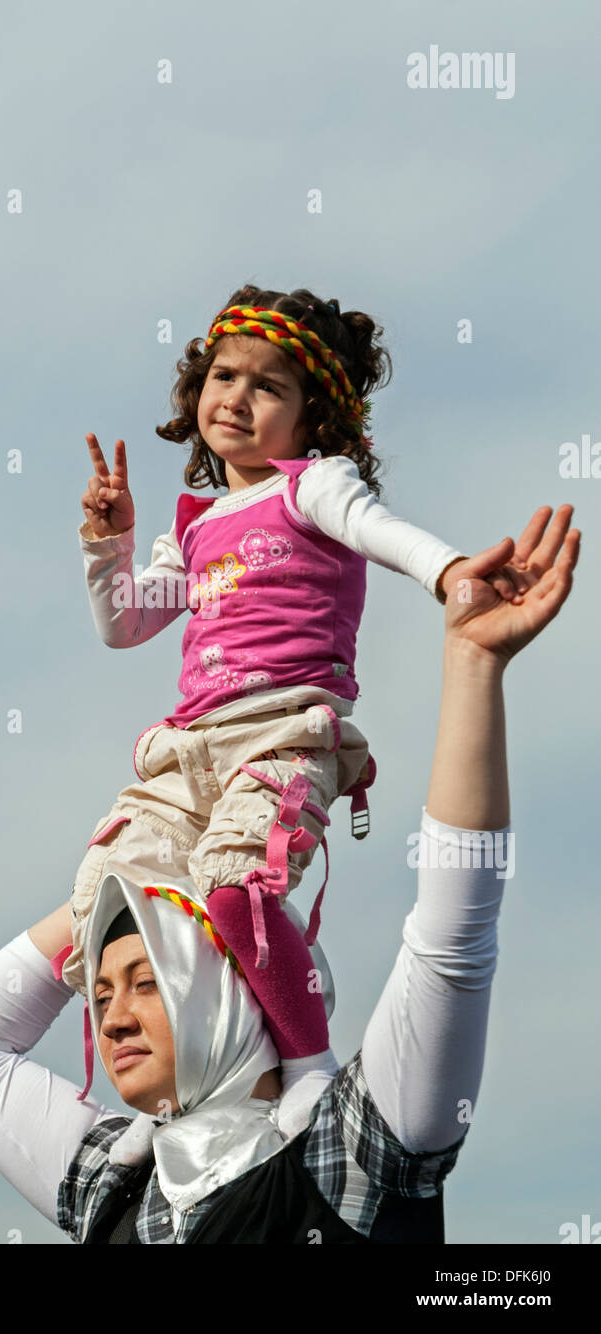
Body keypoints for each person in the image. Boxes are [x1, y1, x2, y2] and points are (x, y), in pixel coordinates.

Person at [0, 503, 579, 1243]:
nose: (111, 1016)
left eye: (148, 982)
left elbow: (452, 938)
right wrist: (142, 868)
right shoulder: (117, 1184)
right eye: (101, 992)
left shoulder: (343, 1154)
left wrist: (472, 667)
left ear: (239, 991)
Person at [62, 284, 528, 1134]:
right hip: (190, 750)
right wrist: (110, 543)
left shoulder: (312, 487)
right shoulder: (196, 525)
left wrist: (452, 573)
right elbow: (125, 624)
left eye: (268, 386)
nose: (236, 398)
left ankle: (308, 1067)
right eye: (224, 376)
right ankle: (181, 1104)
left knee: (237, 889)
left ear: (314, 417)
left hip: (283, 734)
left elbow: (382, 531)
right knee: (102, 899)